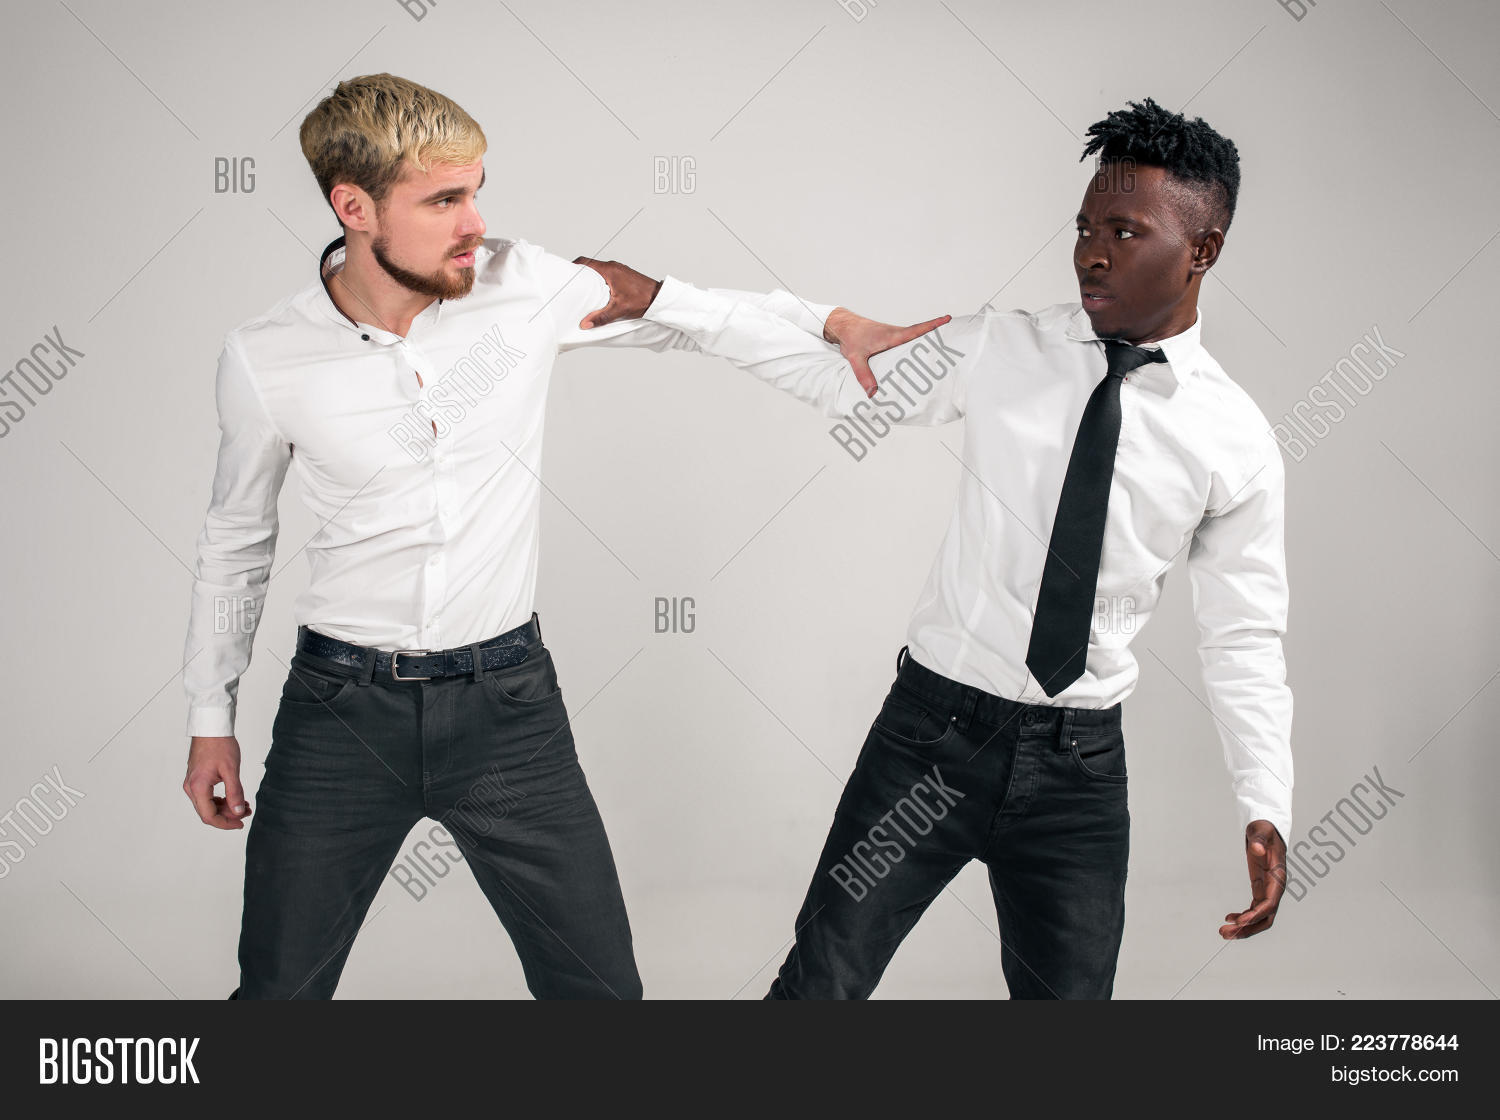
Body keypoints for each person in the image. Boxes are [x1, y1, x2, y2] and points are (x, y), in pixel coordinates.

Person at [179, 72, 932, 999]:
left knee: (602, 998)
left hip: (506, 711)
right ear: (355, 207)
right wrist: (211, 718)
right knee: (279, 997)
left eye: (477, 190)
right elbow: (236, 537)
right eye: (445, 198)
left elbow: (684, 314)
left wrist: (829, 323)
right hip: (342, 715)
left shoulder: (521, 287)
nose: (474, 222)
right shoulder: (265, 358)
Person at [594, 97, 1293, 998]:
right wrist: (662, 301)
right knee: (817, 991)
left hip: (1079, 778)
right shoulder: (1005, 348)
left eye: (1126, 230)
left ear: (1203, 250)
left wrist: (1265, 802)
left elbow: (1244, 639)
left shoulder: (1234, 439)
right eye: (1084, 226)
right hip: (933, 742)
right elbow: (834, 372)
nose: (1091, 250)